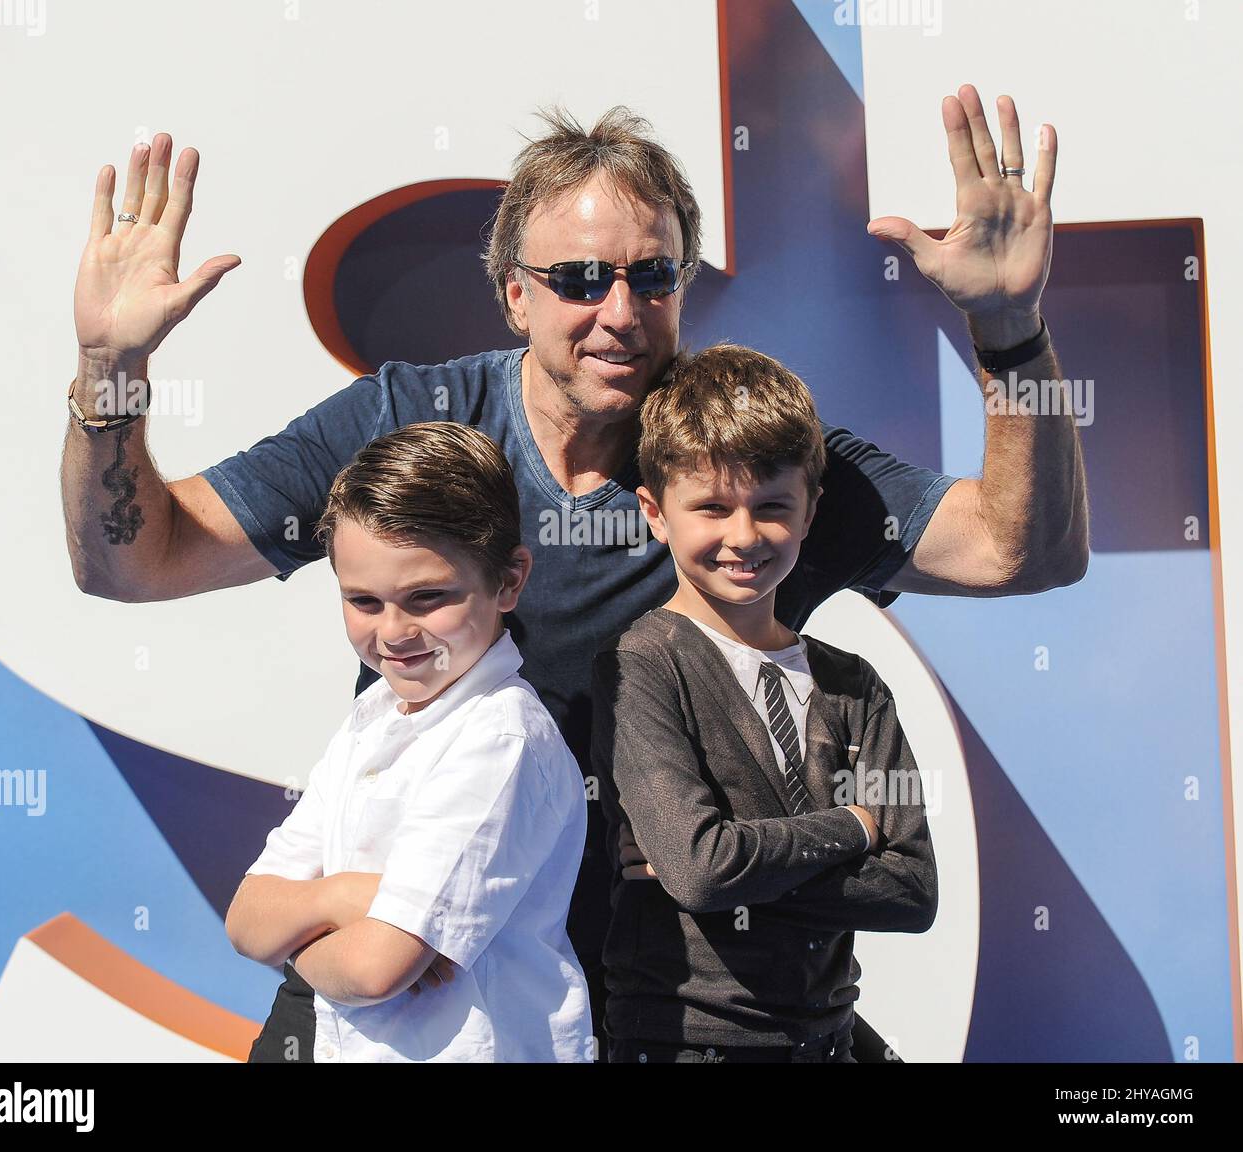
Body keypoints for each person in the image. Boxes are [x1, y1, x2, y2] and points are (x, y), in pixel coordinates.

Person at [62, 90, 1087, 1061]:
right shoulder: (406, 427)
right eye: (581, 280)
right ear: (513, 293)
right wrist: (111, 369)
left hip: (670, 1016)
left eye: (653, 275)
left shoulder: (734, 461)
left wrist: (1009, 335)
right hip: (417, 1004)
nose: (621, 309)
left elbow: (1019, 552)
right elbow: (136, 562)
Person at [592, 344, 937, 1064]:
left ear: (811, 510)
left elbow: (911, 891)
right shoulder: (643, 664)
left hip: (830, 1039)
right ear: (656, 512)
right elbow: (700, 872)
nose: (743, 537)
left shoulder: (856, 687)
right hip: (682, 1042)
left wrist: (730, 859)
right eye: (711, 507)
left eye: (772, 506)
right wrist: (851, 827)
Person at [224, 422, 592, 1061]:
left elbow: (373, 970)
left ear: (509, 581)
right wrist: (344, 898)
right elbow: (247, 919)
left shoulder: (499, 737)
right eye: (363, 601)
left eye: (427, 597)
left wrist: (302, 935)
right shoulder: (374, 715)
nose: (393, 632)